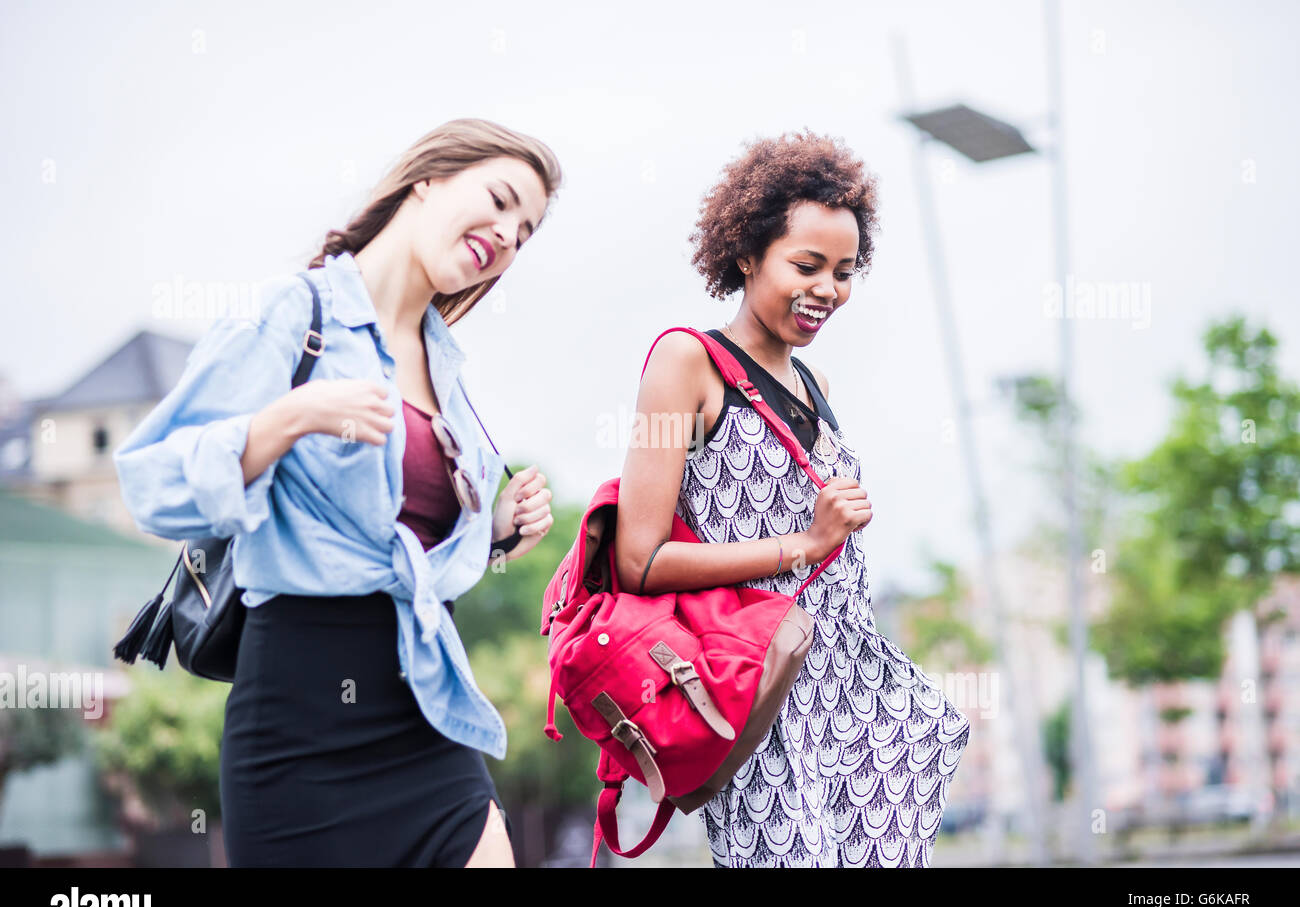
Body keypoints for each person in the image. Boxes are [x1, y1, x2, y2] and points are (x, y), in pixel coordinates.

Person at [114, 118, 561, 867]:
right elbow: (152, 482)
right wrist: (288, 419)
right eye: (501, 199)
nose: (508, 234)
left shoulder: (445, 367)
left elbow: (414, 553)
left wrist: (496, 531)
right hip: (300, 727)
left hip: (429, 716)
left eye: (526, 230)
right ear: (429, 179)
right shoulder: (296, 313)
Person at [614, 130, 972, 867]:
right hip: (765, 685)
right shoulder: (685, 361)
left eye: (844, 271)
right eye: (806, 265)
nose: (827, 289)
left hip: (851, 687)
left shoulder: (817, 387)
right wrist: (803, 545)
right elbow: (639, 558)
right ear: (747, 253)